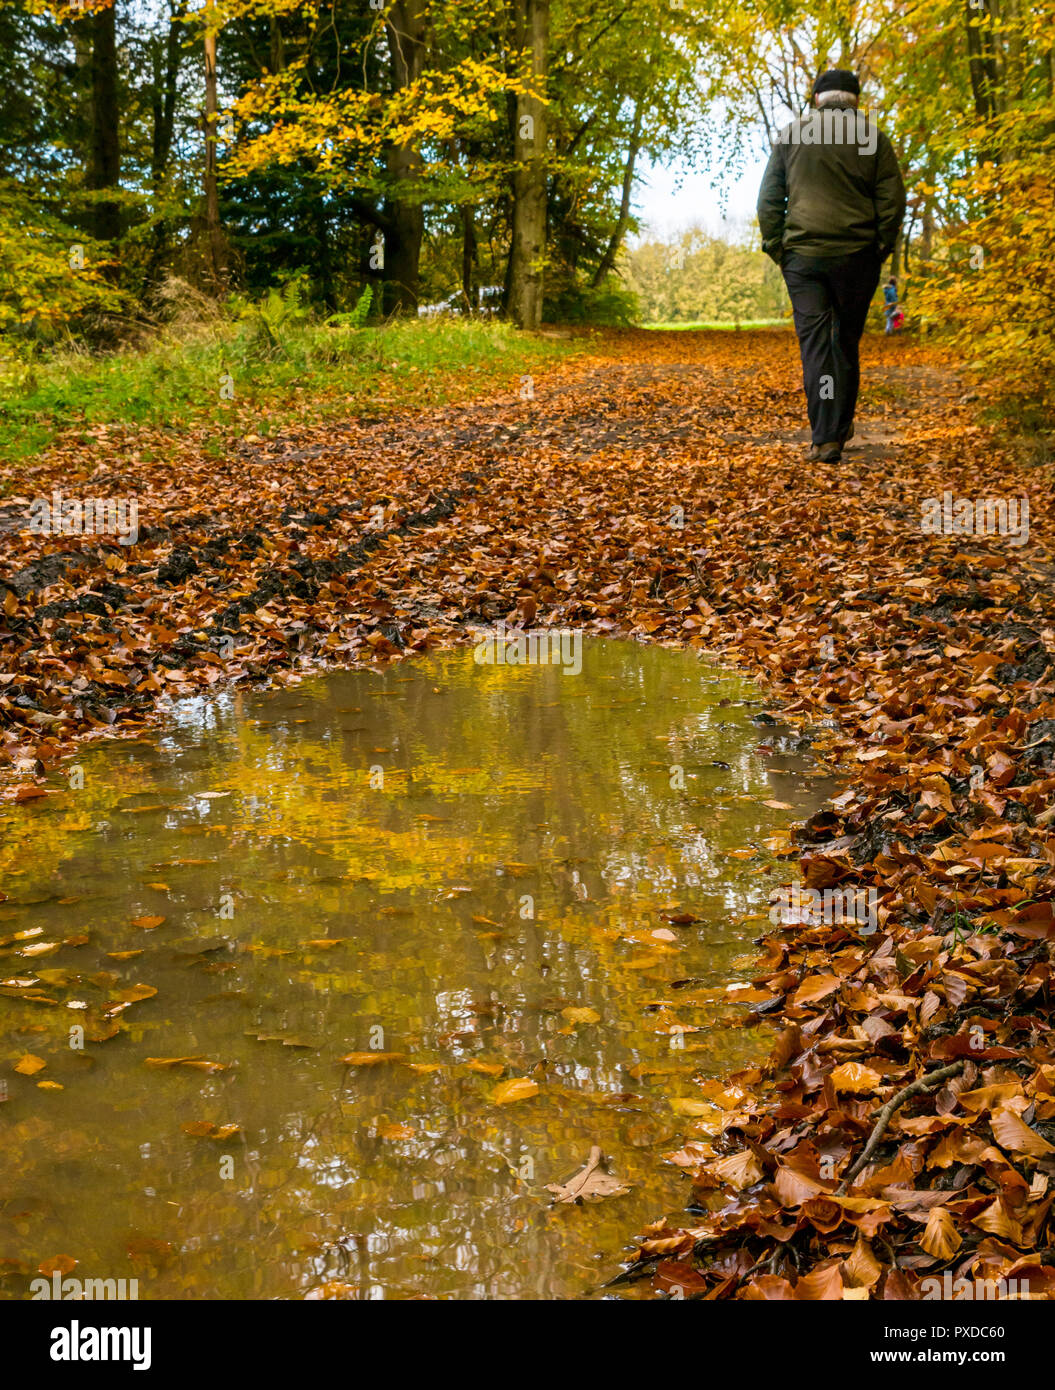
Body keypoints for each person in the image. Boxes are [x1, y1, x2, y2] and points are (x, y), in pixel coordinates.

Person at [757, 69, 906, 463]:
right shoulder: (874, 138)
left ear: (817, 98)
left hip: (804, 259)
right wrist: (878, 248)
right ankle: (839, 425)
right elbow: (892, 202)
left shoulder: (792, 135)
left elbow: (769, 200)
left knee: (817, 346)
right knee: (845, 343)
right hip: (857, 258)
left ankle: (826, 437)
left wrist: (778, 247)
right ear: (856, 99)